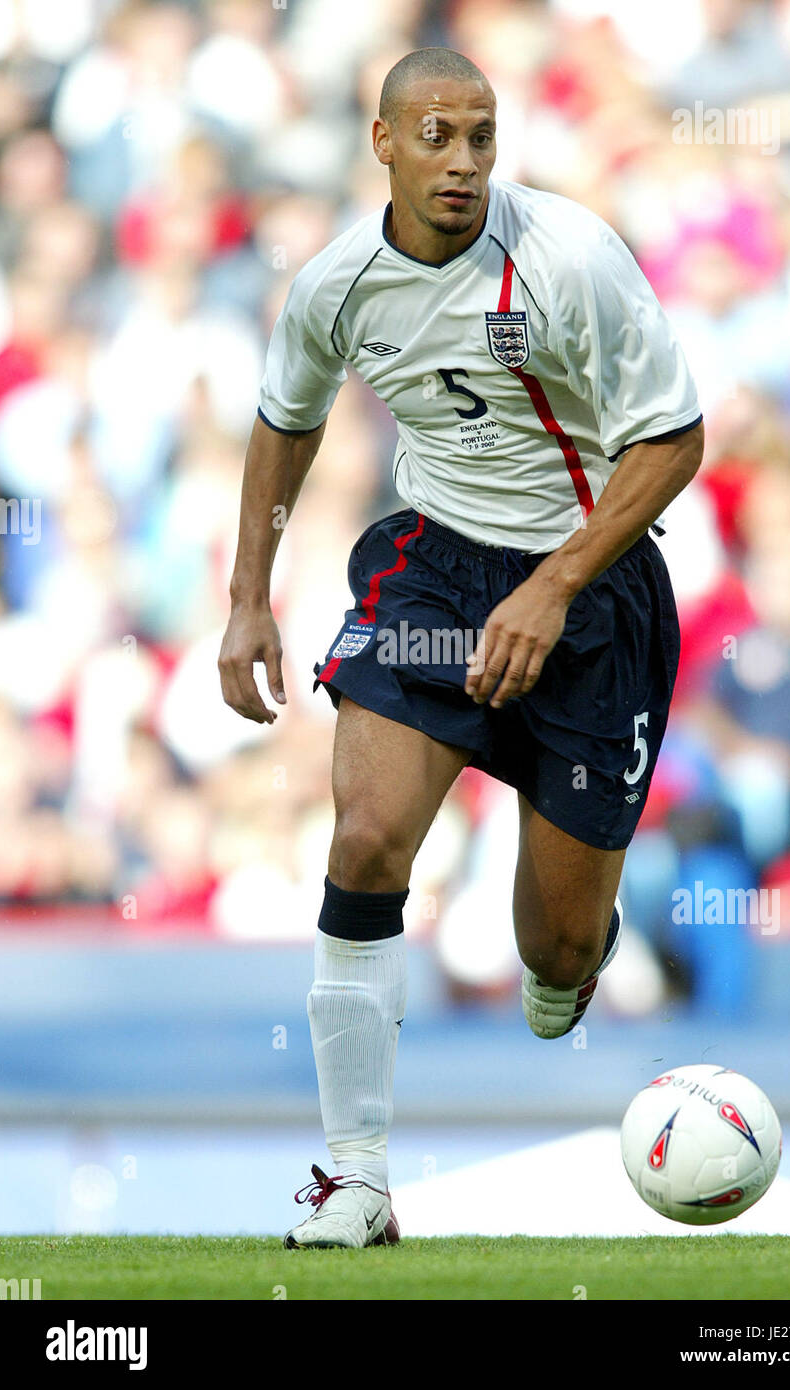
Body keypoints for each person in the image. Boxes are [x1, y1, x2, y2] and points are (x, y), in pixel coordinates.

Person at [218, 48, 703, 1249]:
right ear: (383, 145)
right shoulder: (334, 286)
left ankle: (573, 949)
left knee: (555, 956)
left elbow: (675, 440)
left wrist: (553, 584)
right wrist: (246, 598)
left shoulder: (570, 257)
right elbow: (285, 423)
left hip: (590, 589)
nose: (464, 161)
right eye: (437, 135)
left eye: (481, 135)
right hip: (433, 568)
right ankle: (358, 1179)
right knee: (369, 834)